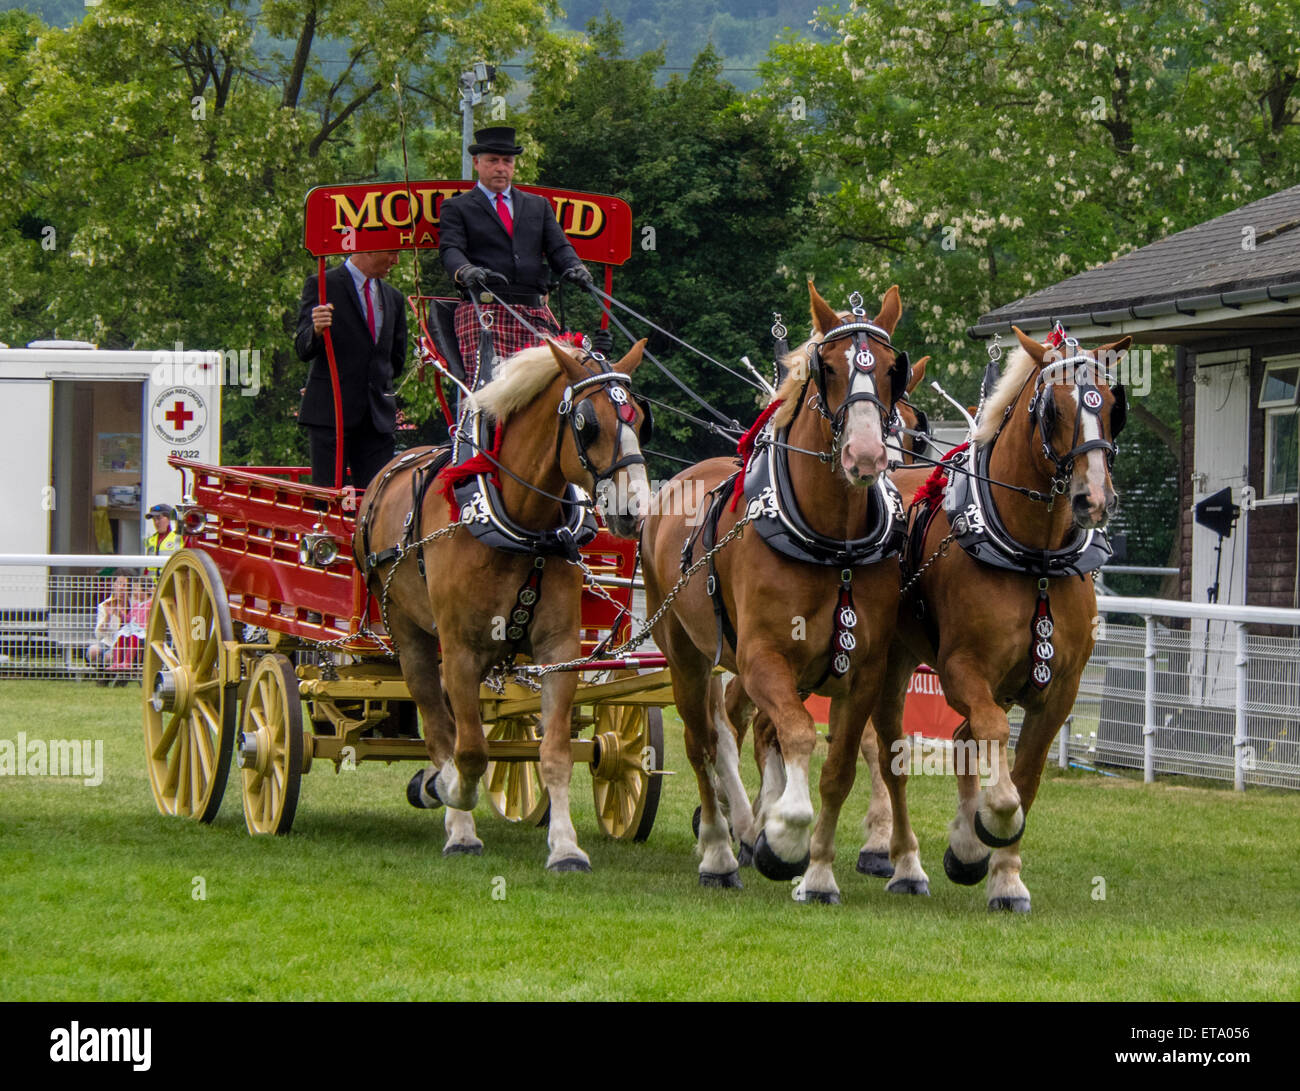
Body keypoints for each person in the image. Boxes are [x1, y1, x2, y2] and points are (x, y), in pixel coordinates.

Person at [439, 126, 594, 386]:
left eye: (507, 161)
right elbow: (450, 249)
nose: (500, 167)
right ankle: (479, 427)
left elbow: (559, 248)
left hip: (533, 312)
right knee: (491, 390)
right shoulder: (458, 207)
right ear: (477, 163)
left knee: (550, 386)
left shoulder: (538, 205)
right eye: (493, 161)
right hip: (484, 311)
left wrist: (574, 266)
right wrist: (465, 270)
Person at [294, 248, 407, 488]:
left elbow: (395, 360)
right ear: (369, 249)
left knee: (377, 498)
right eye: (392, 252)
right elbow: (302, 349)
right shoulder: (322, 285)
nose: (396, 261)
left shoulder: (394, 298)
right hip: (331, 413)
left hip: (377, 419)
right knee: (327, 498)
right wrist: (315, 331)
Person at [85, 571, 130, 685]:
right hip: (109, 642)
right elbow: (99, 635)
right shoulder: (104, 605)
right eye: (119, 584)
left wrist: (123, 616)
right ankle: (102, 674)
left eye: (125, 585)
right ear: (113, 585)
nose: (122, 588)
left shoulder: (134, 605)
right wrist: (108, 617)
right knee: (93, 651)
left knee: (109, 656)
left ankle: (106, 677)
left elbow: (135, 627)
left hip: (127, 644)